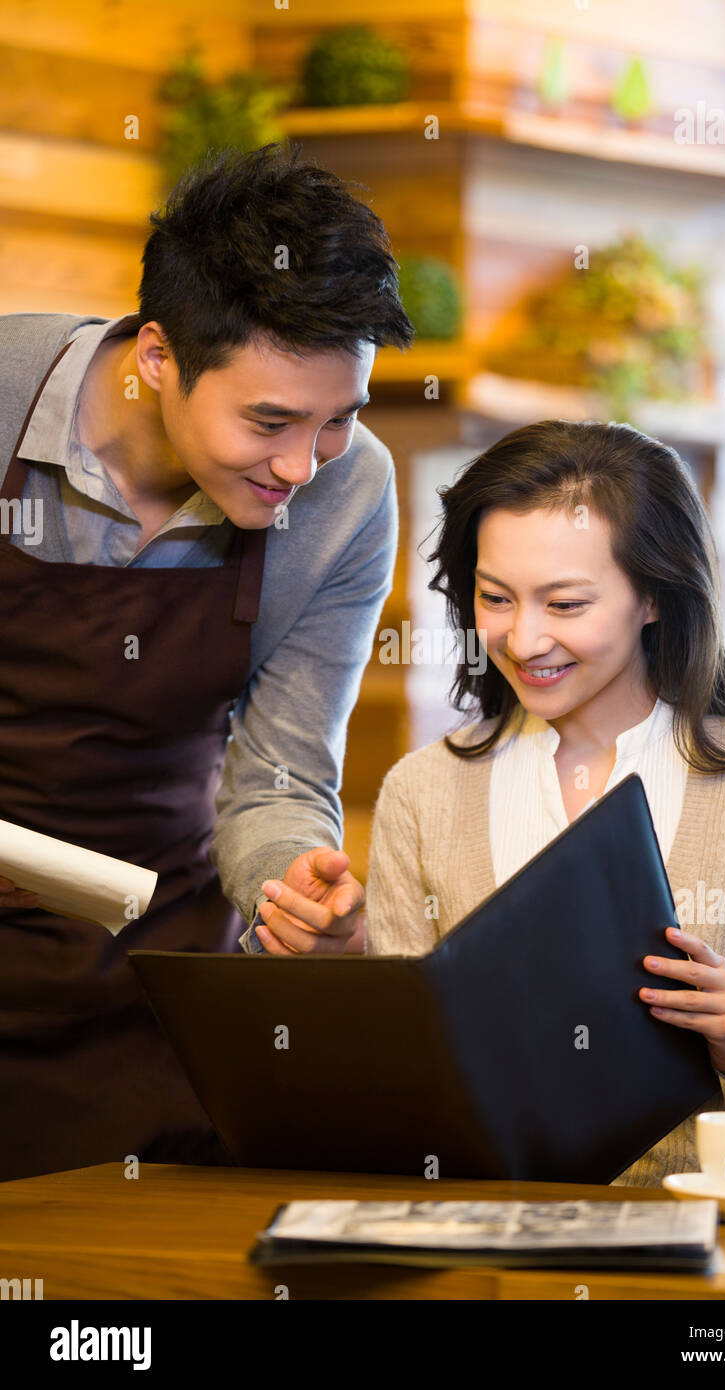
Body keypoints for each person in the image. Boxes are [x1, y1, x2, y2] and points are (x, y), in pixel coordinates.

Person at [0, 142, 413, 1182]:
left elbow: (277, 776)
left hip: (151, 988)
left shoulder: (349, 493)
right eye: (268, 421)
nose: (299, 465)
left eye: (337, 418)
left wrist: (293, 888)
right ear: (155, 357)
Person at [360, 419, 725, 1188]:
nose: (524, 639)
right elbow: (400, 1064)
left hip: (708, 1250)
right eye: (496, 597)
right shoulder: (423, 791)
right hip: (483, 1241)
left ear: (655, 597)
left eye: (565, 605)